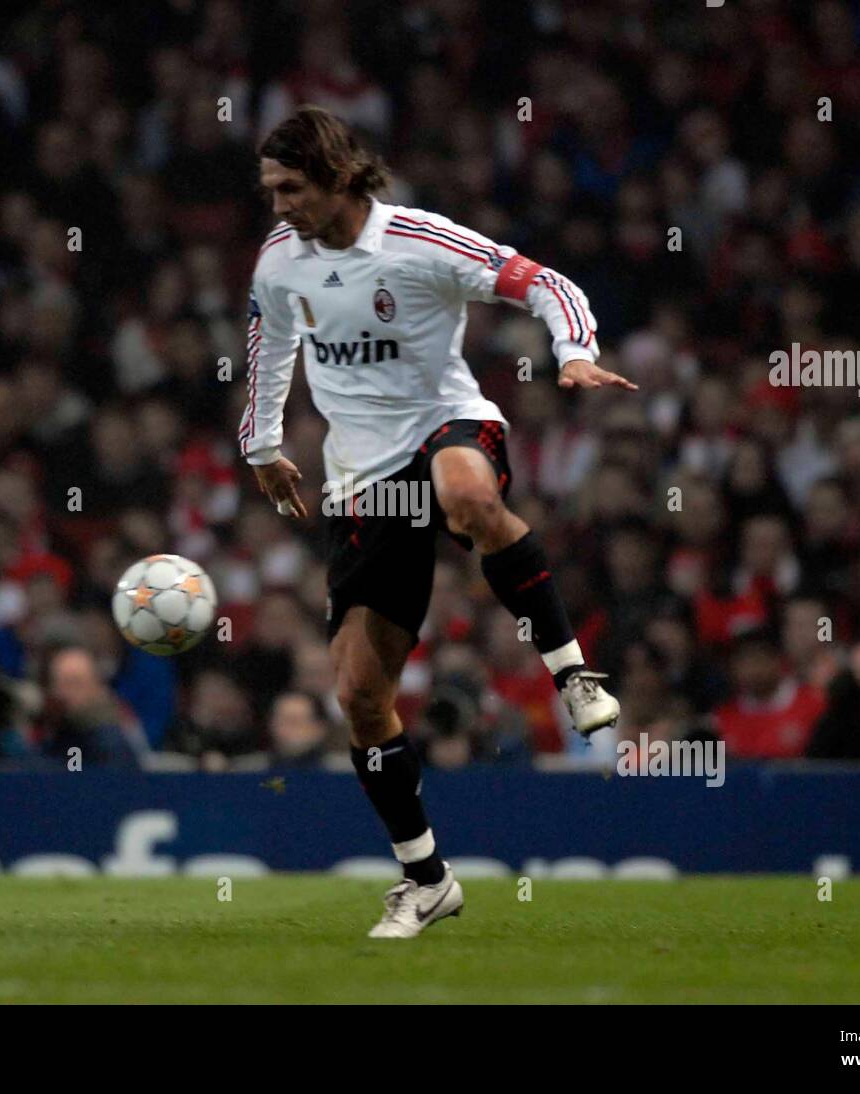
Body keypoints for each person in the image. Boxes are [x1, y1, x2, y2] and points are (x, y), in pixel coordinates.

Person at [239, 106, 636, 937]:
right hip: (362, 482)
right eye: (269, 189)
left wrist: (573, 352)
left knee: (468, 495)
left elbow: (545, 283)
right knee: (359, 696)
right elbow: (269, 349)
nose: (277, 205)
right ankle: (427, 879)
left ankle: (572, 675)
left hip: (445, 424)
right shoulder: (281, 262)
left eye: (290, 187)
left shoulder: (423, 242)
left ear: (339, 177)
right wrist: (263, 445)